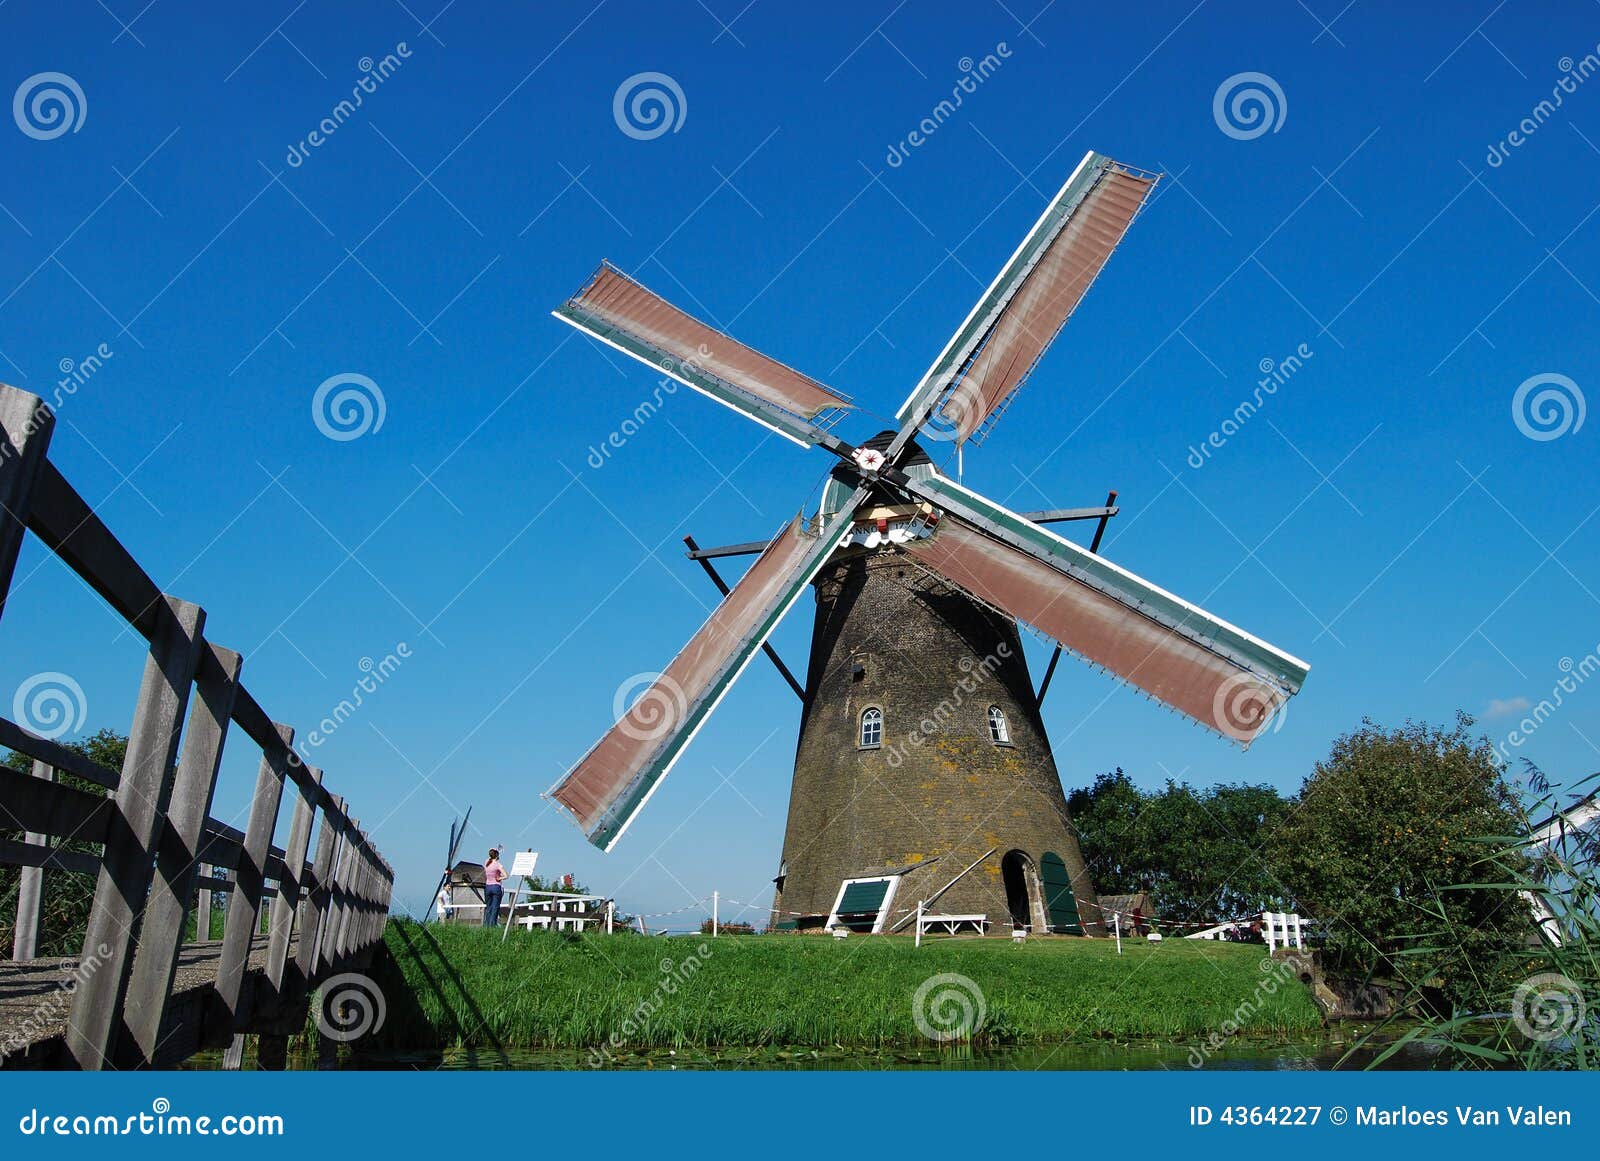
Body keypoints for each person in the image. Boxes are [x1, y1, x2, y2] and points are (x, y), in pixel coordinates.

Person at [483, 849, 506, 927]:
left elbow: (489, 858)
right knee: (495, 907)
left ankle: (486, 925)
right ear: (497, 856)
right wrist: (499, 878)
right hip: (496, 886)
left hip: (488, 886)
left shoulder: (486, 863)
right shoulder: (498, 865)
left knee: (488, 907)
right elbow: (506, 875)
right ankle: (492, 925)